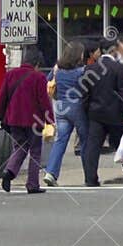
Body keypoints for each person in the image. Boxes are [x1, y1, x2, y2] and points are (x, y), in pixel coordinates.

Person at [0, 47, 54, 194]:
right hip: (34, 120)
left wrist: (2, 117)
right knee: (35, 151)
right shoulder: (39, 77)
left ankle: (9, 171)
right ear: (36, 63)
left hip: (14, 118)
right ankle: (32, 184)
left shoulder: (10, 75)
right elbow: (44, 101)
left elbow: (2, 97)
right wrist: (50, 119)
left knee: (20, 147)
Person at [80, 41, 123, 188]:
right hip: (115, 114)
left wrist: (87, 111)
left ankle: (90, 178)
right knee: (121, 145)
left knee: (93, 147)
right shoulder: (119, 68)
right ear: (114, 51)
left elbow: (84, 94)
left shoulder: (90, 69)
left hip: (95, 114)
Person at [43, 41, 90, 187]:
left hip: (60, 107)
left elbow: (48, 81)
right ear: (78, 55)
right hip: (77, 106)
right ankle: (89, 174)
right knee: (85, 141)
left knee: (60, 141)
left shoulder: (57, 69)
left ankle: (50, 173)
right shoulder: (82, 70)